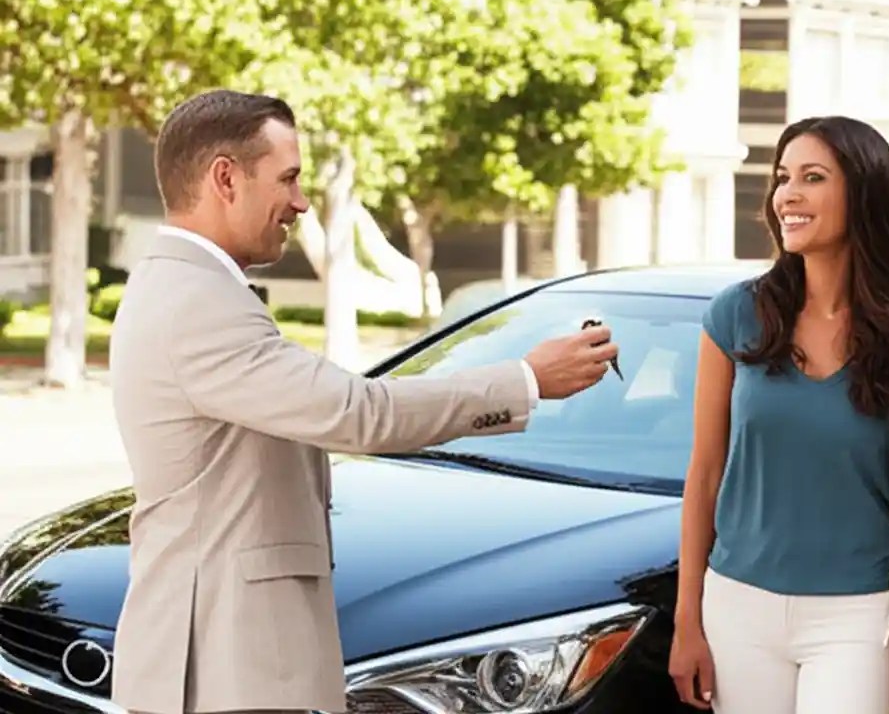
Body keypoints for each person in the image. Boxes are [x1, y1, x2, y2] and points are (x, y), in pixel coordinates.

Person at [108, 90, 619, 714]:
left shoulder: (181, 286)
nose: (299, 202)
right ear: (225, 177)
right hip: (226, 663)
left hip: (224, 656)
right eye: (288, 178)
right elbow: (357, 412)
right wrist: (527, 378)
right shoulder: (198, 301)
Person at [668, 116, 889, 714]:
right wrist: (689, 622)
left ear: (863, 193)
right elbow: (705, 474)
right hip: (738, 606)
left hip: (859, 613)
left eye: (813, 178)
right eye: (783, 177)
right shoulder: (738, 314)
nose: (788, 194)